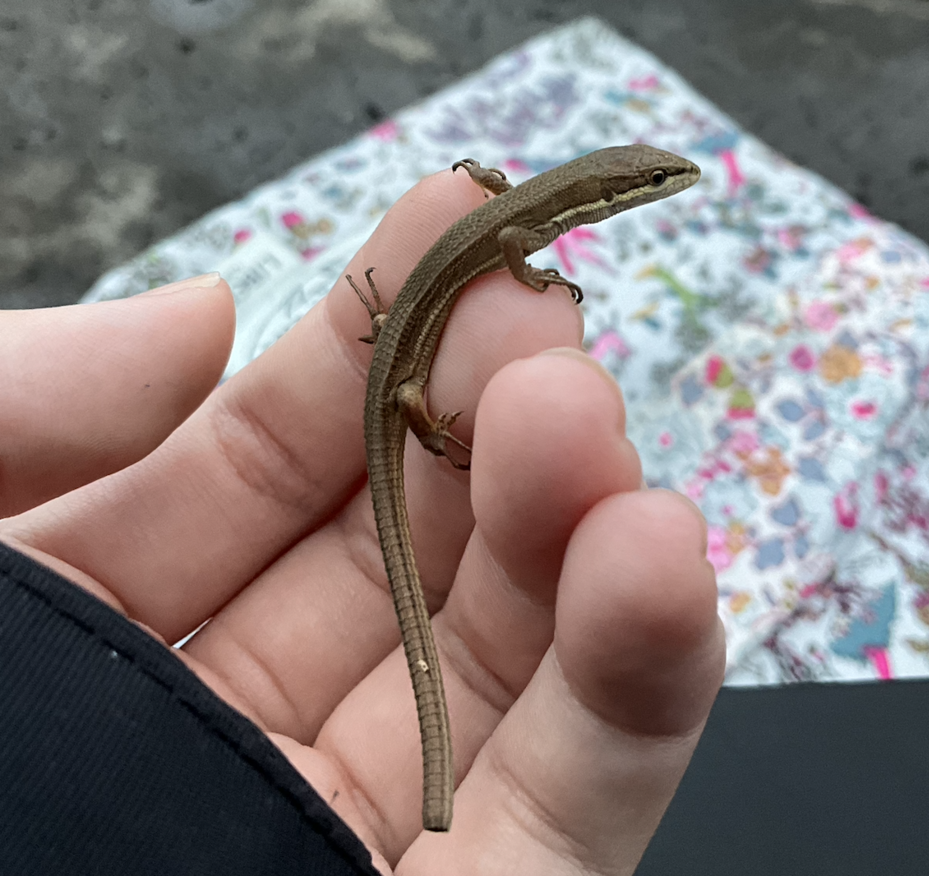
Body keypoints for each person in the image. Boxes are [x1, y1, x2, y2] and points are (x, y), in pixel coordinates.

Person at [0, 166, 724, 874]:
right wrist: (436, 424)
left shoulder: (528, 209)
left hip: (397, 339)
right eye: (653, 181)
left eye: (656, 179)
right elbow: (509, 248)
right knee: (418, 399)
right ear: (608, 193)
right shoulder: (525, 227)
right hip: (398, 385)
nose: (665, 185)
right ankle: (431, 429)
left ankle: (412, 384)